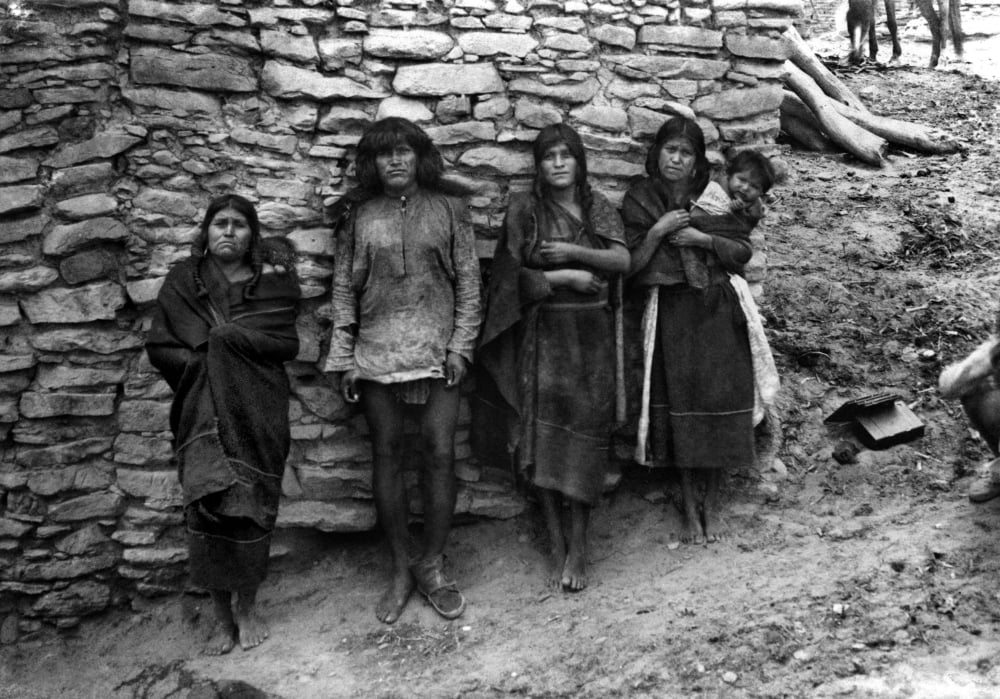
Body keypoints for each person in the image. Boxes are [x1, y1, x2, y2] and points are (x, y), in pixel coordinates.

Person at [322, 117, 482, 623]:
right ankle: (399, 569)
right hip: (376, 353)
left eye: (404, 151)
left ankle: (432, 564)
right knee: (387, 456)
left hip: (438, 353)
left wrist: (460, 347)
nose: (395, 160)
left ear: (419, 158)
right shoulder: (357, 216)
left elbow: (471, 286)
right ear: (371, 163)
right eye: (384, 153)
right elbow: (345, 290)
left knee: (438, 454)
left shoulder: (450, 209)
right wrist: (344, 356)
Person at [146, 194, 300, 654]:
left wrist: (229, 341)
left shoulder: (271, 285)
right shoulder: (182, 282)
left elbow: (286, 345)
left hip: (258, 407)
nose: (228, 232)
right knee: (207, 503)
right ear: (206, 233)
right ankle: (219, 616)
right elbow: (159, 347)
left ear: (252, 235)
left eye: (239, 224)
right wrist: (204, 363)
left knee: (253, 503)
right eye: (220, 223)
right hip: (202, 408)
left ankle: (248, 607)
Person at [478, 124, 629, 591]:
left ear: (580, 161)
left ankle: (580, 546)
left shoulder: (597, 205)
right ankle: (556, 541)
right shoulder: (525, 210)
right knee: (541, 440)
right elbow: (507, 278)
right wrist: (562, 276)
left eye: (567, 155)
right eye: (549, 156)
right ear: (538, 165)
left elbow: (623, 262)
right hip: (543, 336)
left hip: (592, 337)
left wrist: (573, 251)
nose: (559, 163)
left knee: (585, 437)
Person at [622, 116, 755, 545]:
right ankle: (687, 503)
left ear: (698, 162)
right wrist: (659, 230)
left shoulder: (714, 199)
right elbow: (630, 266)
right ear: (656, 153)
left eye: (686, 153)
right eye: (670, 150)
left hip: (716, 306)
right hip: (672, 310)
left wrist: (701, 240)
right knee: (677, 406)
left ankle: (711, 501)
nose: (676, 159)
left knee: (719, 400)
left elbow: (741, 252)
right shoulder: (640, 199)